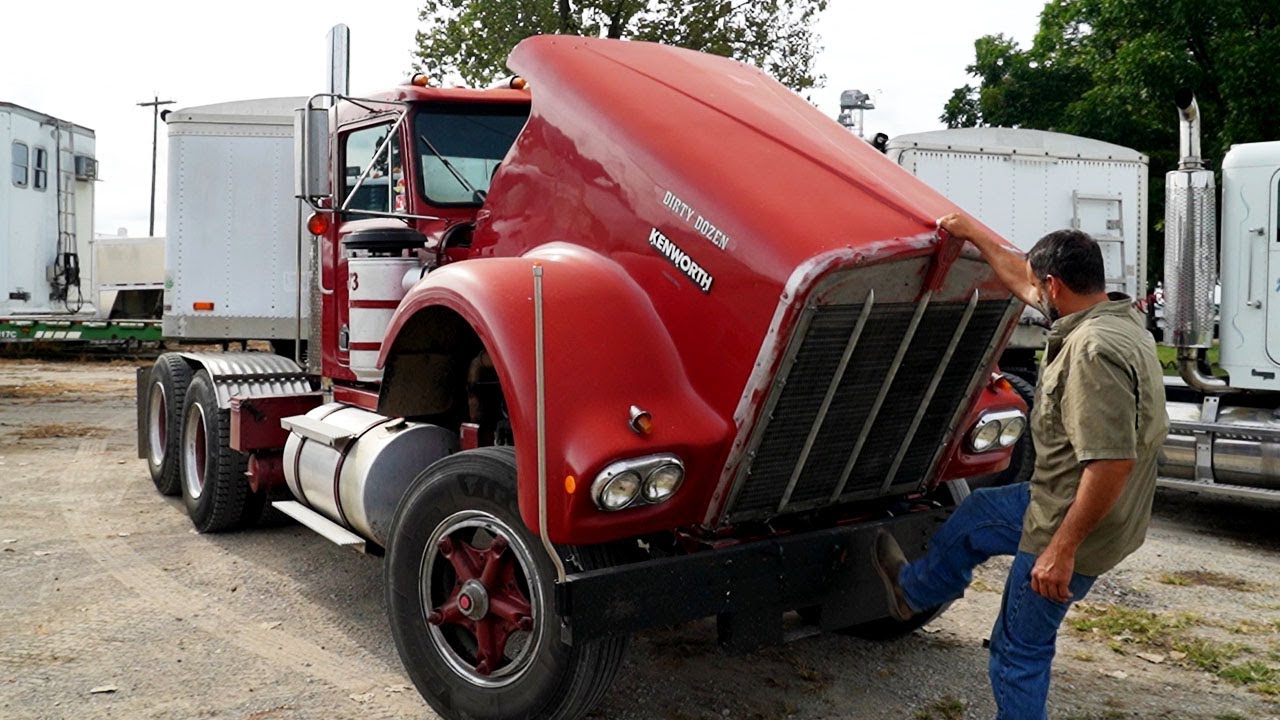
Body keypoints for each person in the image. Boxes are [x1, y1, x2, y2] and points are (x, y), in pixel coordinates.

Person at [874, 212, 1170, 720]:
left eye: (1040, 285)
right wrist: (969, 231)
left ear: (1055, 285)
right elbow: (1019, 278)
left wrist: (1060, 550)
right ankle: (913, 592)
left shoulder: (1091, 351)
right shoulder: (1117, 321)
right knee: (978, 514)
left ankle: (921, 595)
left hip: (1073, 523)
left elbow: (1111, 465)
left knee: (1019, 653)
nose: (1034, 293)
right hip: (1073, 506)